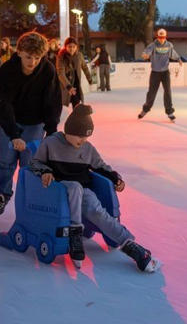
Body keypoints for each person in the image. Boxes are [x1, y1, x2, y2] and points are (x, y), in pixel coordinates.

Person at [29, 104, 161, 273]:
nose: (83, 141)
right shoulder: (51, 143)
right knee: (75, 186)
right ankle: (75, 233)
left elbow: (100, 166)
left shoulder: (87, 149)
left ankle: (129, 244)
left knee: (96, 210)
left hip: (82, 192)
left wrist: (115, 179)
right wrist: (45, 172)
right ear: (69, 130)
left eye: (86, 137)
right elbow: (35, 163)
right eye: (80, 136)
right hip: (57, 190)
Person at [0, 31, 62, 224]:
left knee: (30, 165)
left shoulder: (47, 70)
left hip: (35, 123)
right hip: (11, 120)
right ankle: (0, 199)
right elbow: (3, 103)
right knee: (6, 161)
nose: (32, 62)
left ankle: (30, 204)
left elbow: (52, 102)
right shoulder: (8, 70)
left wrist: (51, 131)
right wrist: (13, 134)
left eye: (37, 57)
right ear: (19, 52)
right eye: (28, 57)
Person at [138, 28, 183, 121]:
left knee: (167, 92)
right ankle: (145, 109)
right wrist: (145, 55)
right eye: (159, 37)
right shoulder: (153, 45)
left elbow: (173, 53)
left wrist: (178, 59)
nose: (161, 39)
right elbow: (146, 52)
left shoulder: (169, 45)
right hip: (155, 72)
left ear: (165, 37)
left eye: (163, 37)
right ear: (157, 37)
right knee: (151, 92)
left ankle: (169, 112)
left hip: (165, 72)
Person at [56, 38, 93, 108]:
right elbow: (60, 73)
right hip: (65, 84)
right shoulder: (61, 56)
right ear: (66, 47)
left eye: (74, 47)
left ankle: (76, 118)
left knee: (76, 104)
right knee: (60, 104)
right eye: (69, 46)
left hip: (76, 84)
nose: (72, 49)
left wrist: (89, 79)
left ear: (76, 47)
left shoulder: (79, 55)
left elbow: (85, 67)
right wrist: (68, 86)